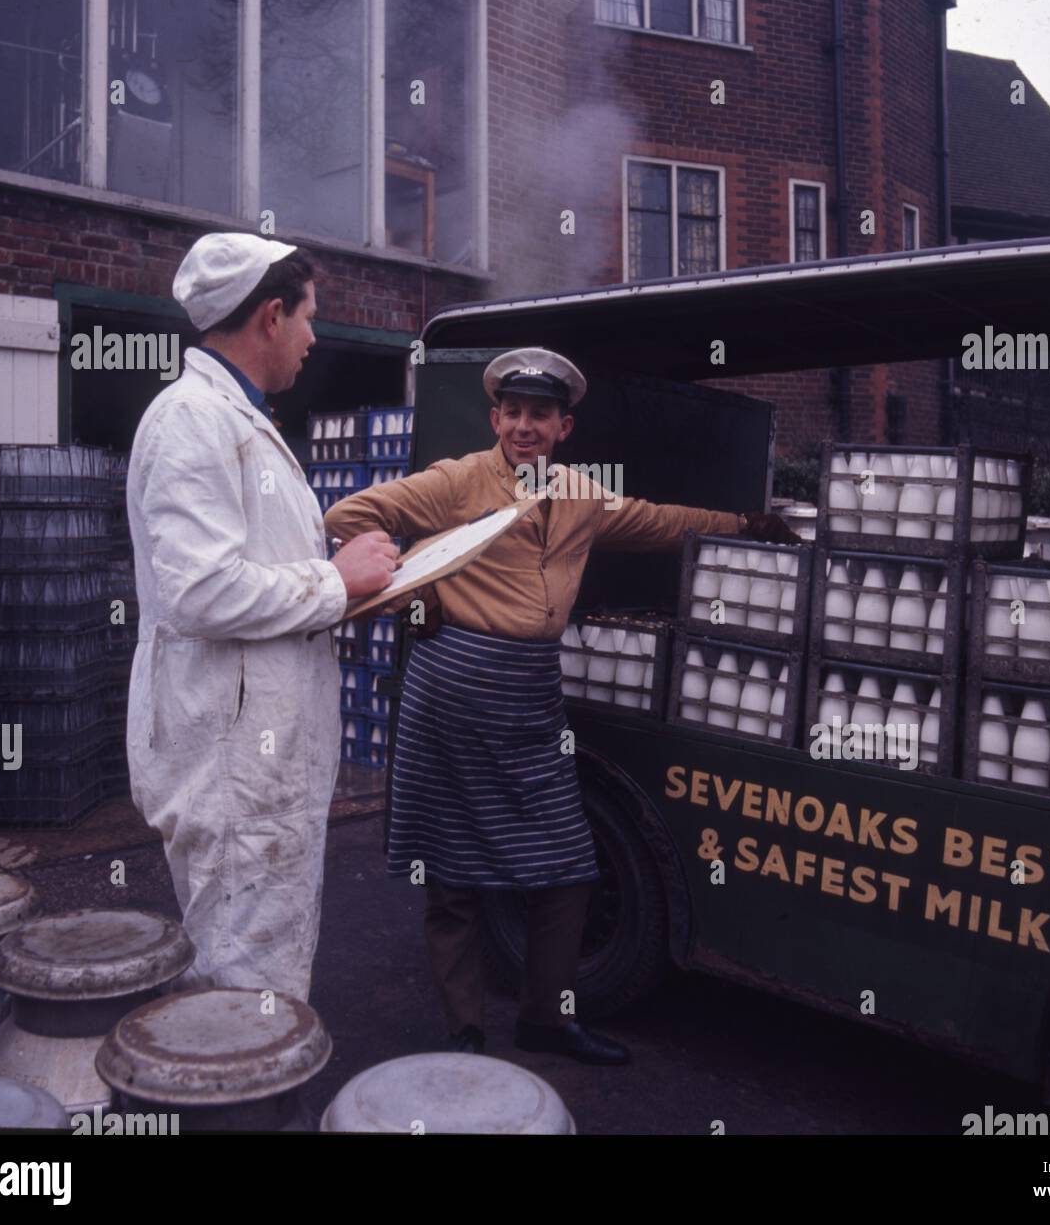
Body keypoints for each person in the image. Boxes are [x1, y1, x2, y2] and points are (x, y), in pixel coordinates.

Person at [324, 346, 795, 1063]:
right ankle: (465, 1033)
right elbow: (349, 515)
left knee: (566, 863)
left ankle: (546, 1018)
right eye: (512, 412)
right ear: (495, 418)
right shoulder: (457, 482)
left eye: (539, 415)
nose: (523, 426)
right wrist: (416, 592)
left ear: (562, 427)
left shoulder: (581, 494)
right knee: (451, 876)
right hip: (451, 690)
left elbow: (660, 520)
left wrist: (749, 526)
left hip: (529, 694)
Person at [126, 232, 396, 1000]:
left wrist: (324, 552)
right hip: (234, 767)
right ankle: (240, 1110)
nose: (314, 339)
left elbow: (238, 561)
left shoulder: (233, 417)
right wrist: (333, 581)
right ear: (272, 316)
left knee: (249, 971)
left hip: (255, 759)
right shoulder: (193, 421)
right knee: (244, 988)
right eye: (310, 318)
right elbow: (201, 590)